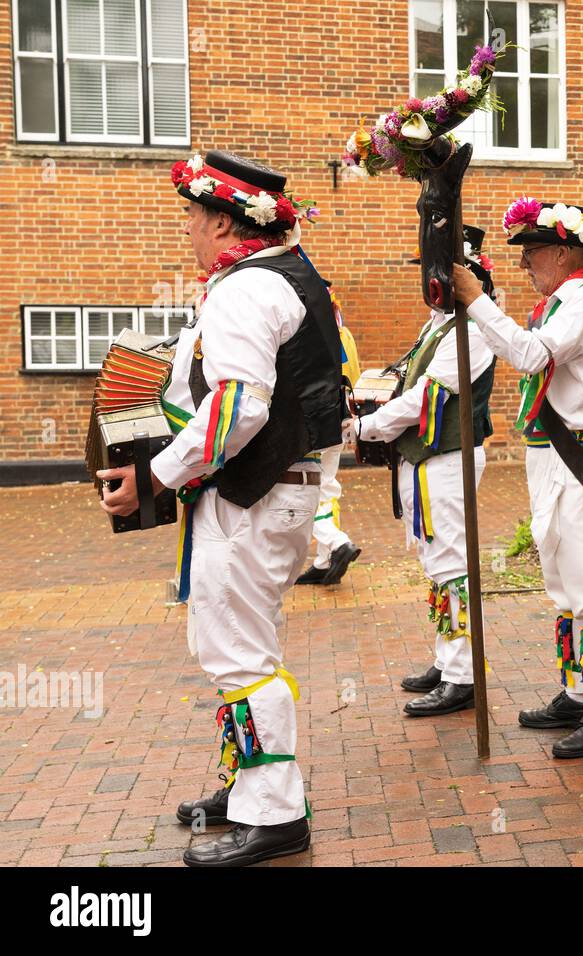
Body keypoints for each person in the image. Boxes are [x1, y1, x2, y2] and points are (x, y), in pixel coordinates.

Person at [99, 150, 342, 865]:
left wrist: (156, 478)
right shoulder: (284, 278)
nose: (187, 231)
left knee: (239, 653)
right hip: (273, 494)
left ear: (220, 220)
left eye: (192, 217)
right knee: (242, 645)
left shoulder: (245, 291)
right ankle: (249, 786)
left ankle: (273, 815)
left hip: (253, 496)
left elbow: (237, 408)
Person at [451, 199, 583, 759]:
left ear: (563, 252)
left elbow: (532, 359)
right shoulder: (561, 303)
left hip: (579, 457)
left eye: (532, 254)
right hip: (553, 455)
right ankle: (578, 691)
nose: (525, 265)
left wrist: (479, 302)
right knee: (562, 579)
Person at [358, 230, 496, 716]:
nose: (424, 277)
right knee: (436, 562)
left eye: (431, 268)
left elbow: (426, 399)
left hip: (447, 459)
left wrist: (366, 426)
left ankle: (462, 677)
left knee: (452, 565)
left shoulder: (471, 330)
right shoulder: (439, 324)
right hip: (425, 460)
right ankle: (448, 659)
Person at [297, 283, 362, 585]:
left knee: (303, 490)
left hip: (313, 423)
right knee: (327, 487)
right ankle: (325, 561)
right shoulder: (341, 335)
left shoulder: (304, 336)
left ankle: (336, 542)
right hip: (338, 418)